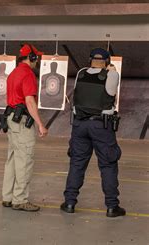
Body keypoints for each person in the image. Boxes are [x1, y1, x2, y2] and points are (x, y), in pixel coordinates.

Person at [61, 48, 125, 218]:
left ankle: (69, 202)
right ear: (107, 60)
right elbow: (111, 88)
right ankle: (112, 206)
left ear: (90, 60)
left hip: (80, 125)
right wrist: (111, 70)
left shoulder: (81, 74)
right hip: (101, 127)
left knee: (77, 164)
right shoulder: (111, 75)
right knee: (108, 164)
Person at [1, 44, 48, 212]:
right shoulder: (27, 74)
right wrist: (40, 124)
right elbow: (29, 101)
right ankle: (20, 199)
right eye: (37, 57)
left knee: (12, 159)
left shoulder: (13, 73)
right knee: (25, 160)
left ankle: (8, 197)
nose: (38, 61)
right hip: (22, 122)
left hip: (11, 119)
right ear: (32, 58)